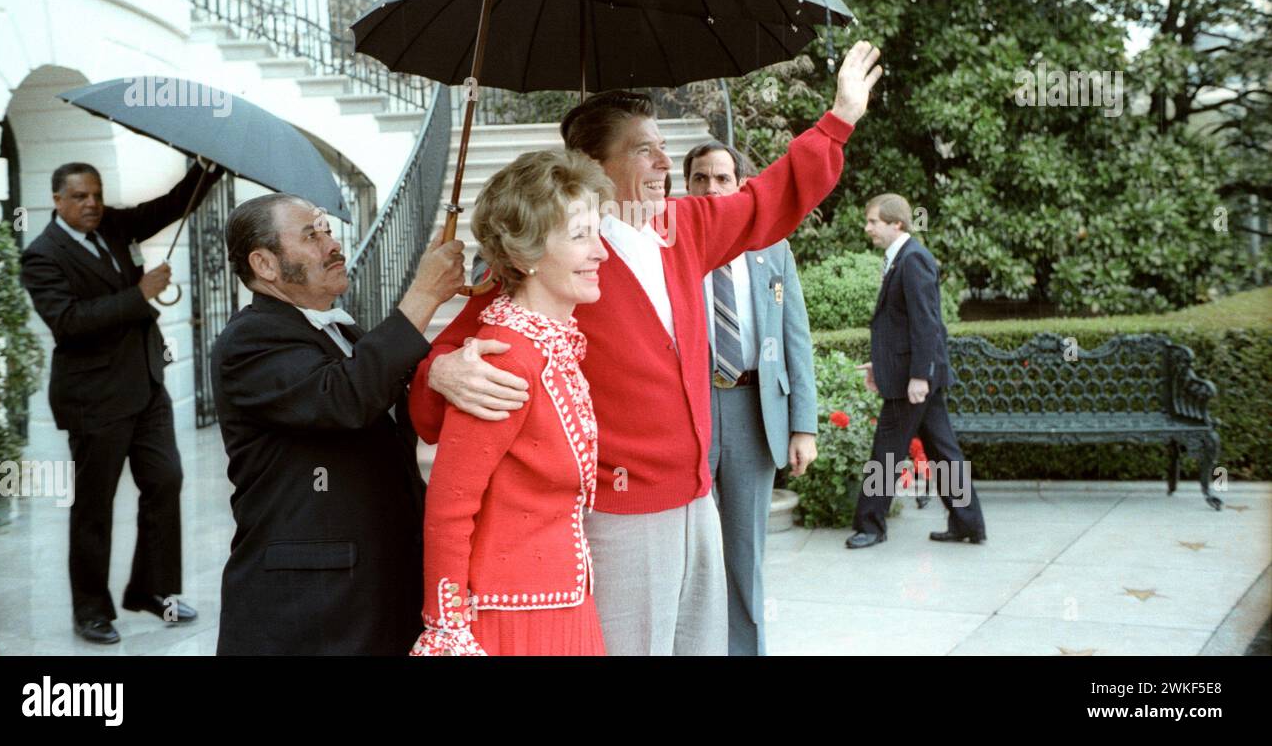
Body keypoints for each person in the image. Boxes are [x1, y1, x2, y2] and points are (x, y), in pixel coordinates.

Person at [411, 41, 882, 655]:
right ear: (591, 162)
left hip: (697, 501)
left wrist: (837, 120)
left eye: (662, 146)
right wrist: (442, 370)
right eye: (643, 148)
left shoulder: (684, 226)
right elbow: (445, 370)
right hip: (618, 520)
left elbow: (768, 199)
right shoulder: (552, 258)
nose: (665, 161)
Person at [212, 194, 462, 655]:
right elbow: (345, 398)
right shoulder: (248, 340)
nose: (333, 243)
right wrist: (424, 294)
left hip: (376, 588)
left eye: (327, 229)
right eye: (312, 234)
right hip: (311, 609)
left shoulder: (336, 329)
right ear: (265, 264)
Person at [412, 150, 612, 656]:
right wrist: (447, 626)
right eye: (579, 236)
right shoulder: (504, 357)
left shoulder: (551, 344)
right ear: (524, 256)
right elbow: (449, 507)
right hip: (513, 621)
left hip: (563, 605)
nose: (601, 252)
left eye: (597, 231)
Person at [20, 159, 222, 644]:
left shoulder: (112, 224)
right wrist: (140, 293)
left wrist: (205, 172)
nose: (91, 204)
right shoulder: (41, 255)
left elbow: (169, 207)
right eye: (79, 197)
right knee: (94, 506)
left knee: (165, 480)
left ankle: (154, 591)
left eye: (96, 194)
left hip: (146, 385)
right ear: (57, 200)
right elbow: (69, 321)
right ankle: (90, 609)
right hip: (95, 397)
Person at [684, 141, 818, 656]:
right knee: (694, 550)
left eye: (722, 178)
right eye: (701, 178)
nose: (712, 188)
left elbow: (795, 338)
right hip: (690, 412)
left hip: (753, 411)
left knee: (745, 550)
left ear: (742, 184)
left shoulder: (772, 248)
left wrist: (802, 426)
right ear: (687, 185)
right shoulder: (677, 245)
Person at [848, 194, 986, 548]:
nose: (868, 229)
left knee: (886, 452)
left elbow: (927, 325)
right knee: (942, 452)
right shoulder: (903, 259)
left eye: (873, 222)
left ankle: (870, 526)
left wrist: (919, 376)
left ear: (897, 224)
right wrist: (881, 365)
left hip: (914, 381)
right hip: (911, 376)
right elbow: (901, 326)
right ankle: (968, 524)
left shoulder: (913, 260)